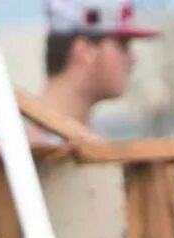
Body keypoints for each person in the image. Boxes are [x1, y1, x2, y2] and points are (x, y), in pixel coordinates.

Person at [40, 0, 157, 138]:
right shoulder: (17, 143)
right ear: (86, 50)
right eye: (123, 45)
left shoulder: (94, 140)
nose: (133, 59)